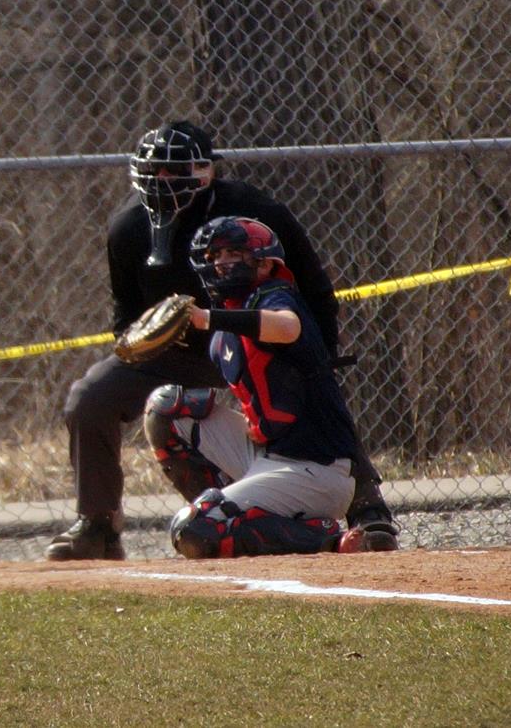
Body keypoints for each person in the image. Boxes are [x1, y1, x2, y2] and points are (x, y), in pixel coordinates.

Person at [45, 120, 397, 560]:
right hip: (178, 350)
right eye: (153, 172)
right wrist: (144, 340)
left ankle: (366, 509)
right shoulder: (128, 228)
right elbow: (126, 317)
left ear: (207, 170)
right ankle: (103, 524)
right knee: (92, 397)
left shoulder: (253, 210)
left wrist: (317, 358)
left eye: (174, 172)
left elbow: (311, 290)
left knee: (315, 396)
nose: (162, 182)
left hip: (254, 335)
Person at [154, 216, 388, 556]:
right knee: (168, 408)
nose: (221, 263)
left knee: (195, 530)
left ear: (265, 263)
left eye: (233, 253)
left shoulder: (275, 296)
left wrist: (209, 318)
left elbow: (288, 328)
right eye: (214, 257)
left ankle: (322, 538)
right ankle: (238, 509)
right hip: (268, 455)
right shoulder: (224, 327)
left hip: (316, 471)